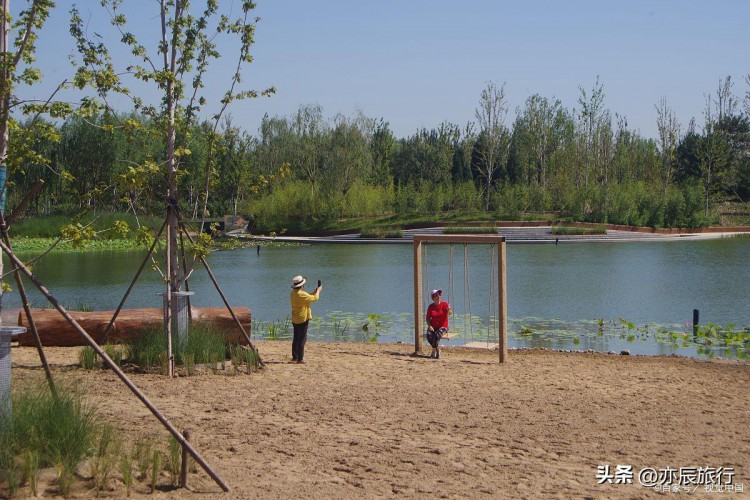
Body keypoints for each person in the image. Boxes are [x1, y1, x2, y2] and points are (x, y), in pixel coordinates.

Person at [289, 275, 322, 364]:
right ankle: (300, 359)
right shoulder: (302, 294)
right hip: (302, 318)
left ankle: (294, 357)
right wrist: (318, 291)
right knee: (302, 338)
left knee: (296, 337)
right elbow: (315, 298)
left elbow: (306, 297)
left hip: (295, 318)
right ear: (301, 285)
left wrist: (314, 292)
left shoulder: (293, 293)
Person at [425, 289, 451, 359]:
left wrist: (449, 310)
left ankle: (433, 351)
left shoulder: (444, 304)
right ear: (433, 297)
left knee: (437, 335)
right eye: (436, 295)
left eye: (439, 294)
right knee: (428, 335)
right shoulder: (431, 307)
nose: (438, 296)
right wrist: (429, 326)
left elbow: (450, 313)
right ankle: (437, 350)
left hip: (443, 326)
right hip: (433, 326)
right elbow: (427, 318)